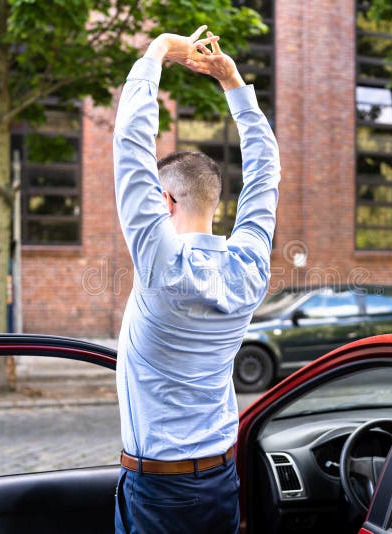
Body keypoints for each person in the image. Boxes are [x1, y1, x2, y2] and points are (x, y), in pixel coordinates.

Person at [112, 25, 280, 534]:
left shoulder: (160, 264)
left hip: (159, 493)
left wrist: (160, 49)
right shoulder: (249, 268)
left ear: (165, 204)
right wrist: (233, 84)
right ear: (217, 203)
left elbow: (129, 143)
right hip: (220, 480)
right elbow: (265, 172)